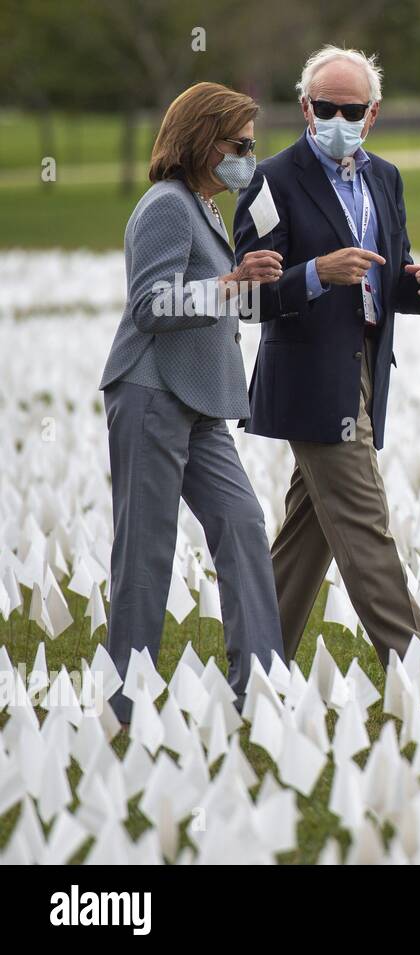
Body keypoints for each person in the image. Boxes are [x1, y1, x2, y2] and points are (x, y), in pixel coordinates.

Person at [232, 46, 420, 704]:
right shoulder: (268, 182)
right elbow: (247, 297)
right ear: (304, 106)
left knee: (308, 534)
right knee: (364, 525)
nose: (335, 119)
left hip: (364, 372)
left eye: (348, 110)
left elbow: (390, 276)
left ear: (372, 114)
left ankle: (252, 670)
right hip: (308, 383)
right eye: (323, 107)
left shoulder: (385, 179)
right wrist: (314, 273)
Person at [99, 82, 286, 724]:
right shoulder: (166, 206)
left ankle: (261, 688)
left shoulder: (207, 211)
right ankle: (126, 702)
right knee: (146, 550)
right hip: (151, 390)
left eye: (253, 146)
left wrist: (248, 284)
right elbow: (151, 306)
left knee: (243, 525)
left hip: (202, 400)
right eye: (240, 144)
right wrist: (230, 282)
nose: (248, 157)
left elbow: (213, 300)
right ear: (203, 141)